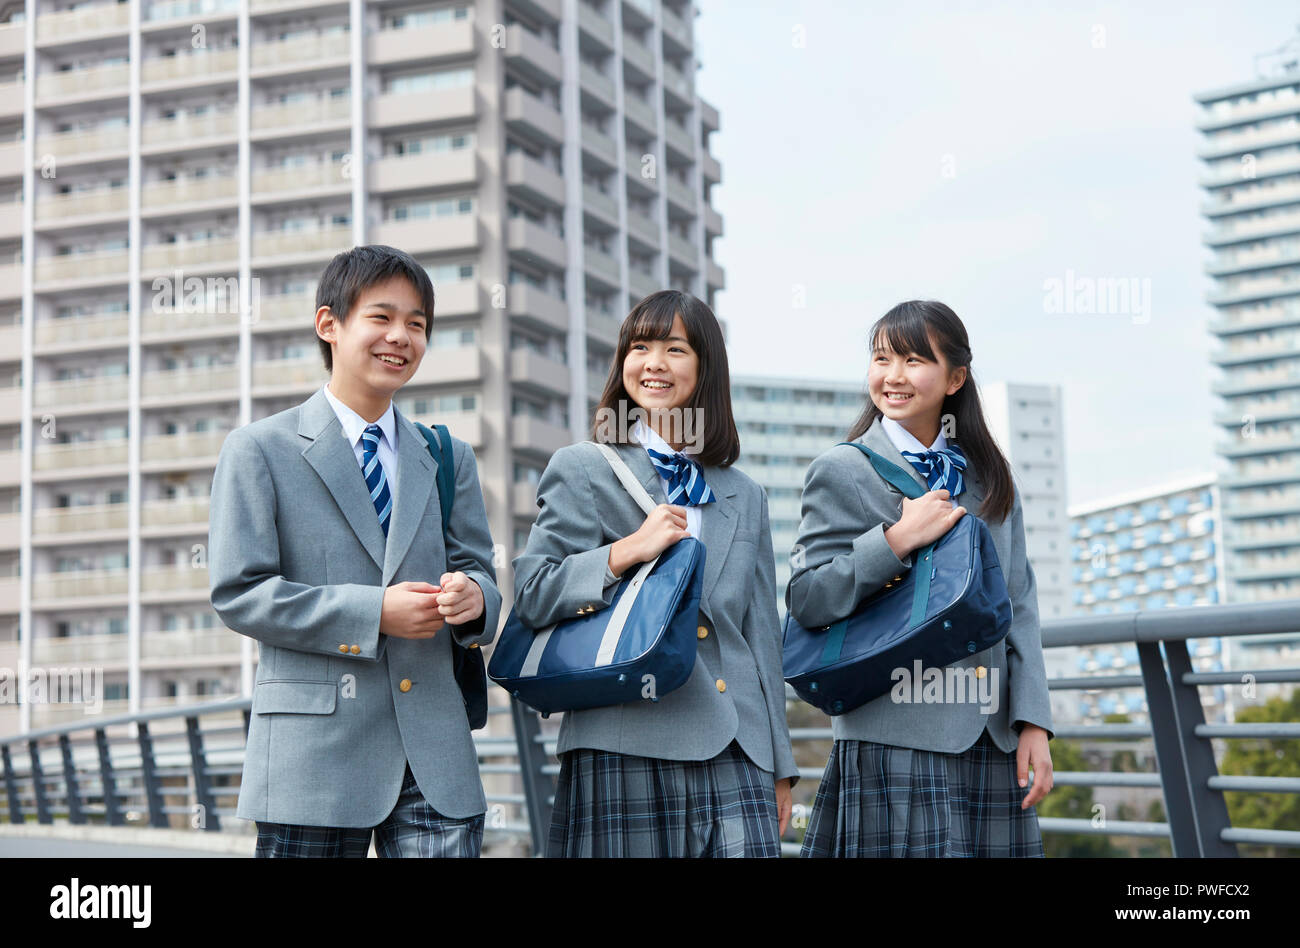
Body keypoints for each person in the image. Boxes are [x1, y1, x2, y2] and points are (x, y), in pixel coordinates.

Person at [208, 244, 501, 857]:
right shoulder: (260, 449)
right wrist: (374, 613)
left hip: (435, 756)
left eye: (417, 325)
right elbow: (239, 592)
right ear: (329, 325)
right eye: (382, 317)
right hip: (311, 758)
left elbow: (480, 572)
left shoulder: (448, 456)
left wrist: (474, 598)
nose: (401, 337)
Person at [512, 290, 798, 857]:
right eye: (639, 347)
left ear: (705, 367)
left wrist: (780, 763)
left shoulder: (744, 493)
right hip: (622, 744)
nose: (654, 363)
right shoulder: (583, 468)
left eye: (675, 348)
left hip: (735, 749)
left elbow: (761, 633)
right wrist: (626, 552)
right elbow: (532, 593)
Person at [788, 299, 1054, 858]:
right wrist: (894, 542)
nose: (894, 376)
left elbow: (1020, 601)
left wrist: (1033, 722)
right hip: (894, 734)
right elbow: (808, 598)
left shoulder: (988, 477)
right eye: (882, 358)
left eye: (913, 360)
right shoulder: (843, 469)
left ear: (955, 377)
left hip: (989, 736)